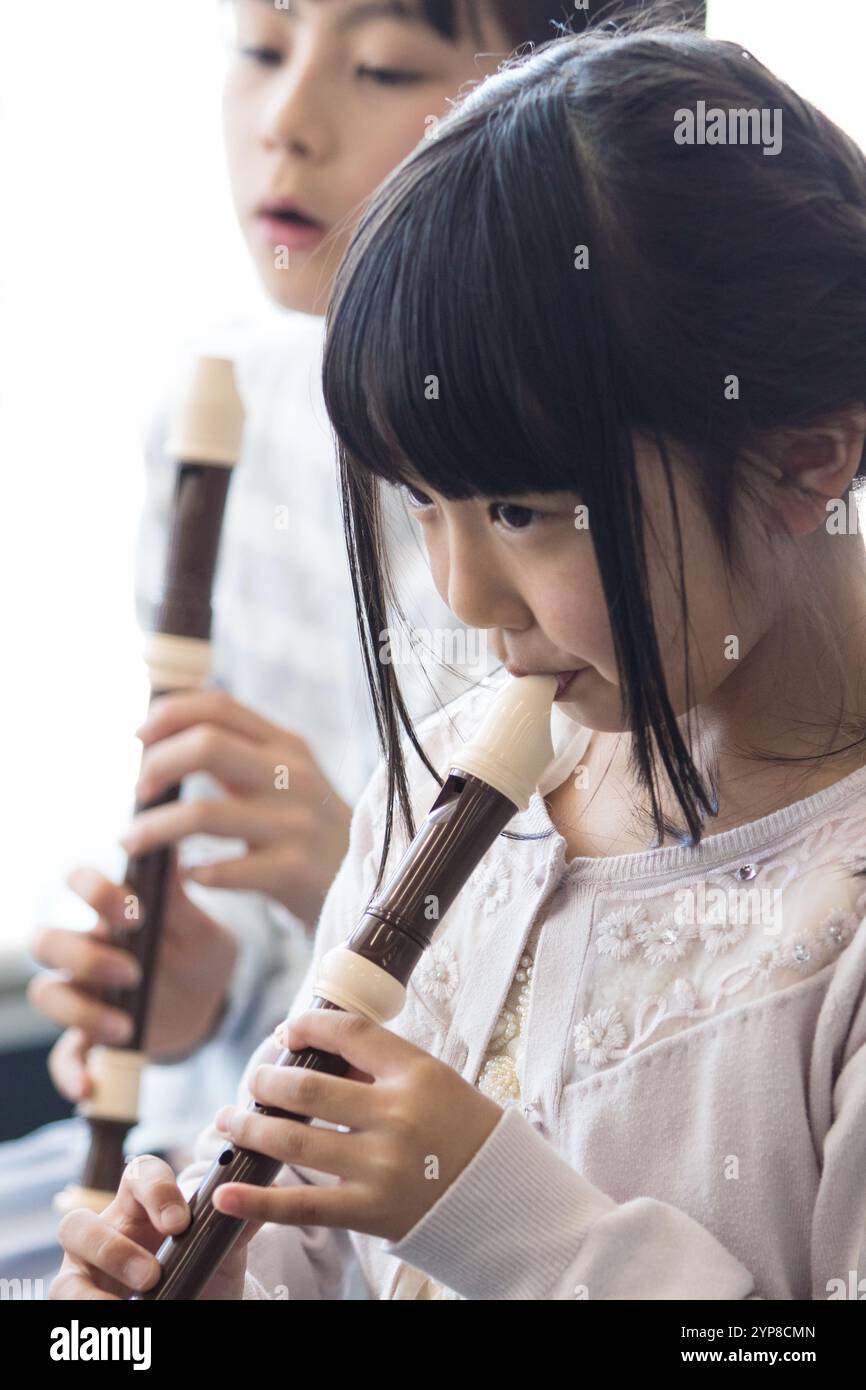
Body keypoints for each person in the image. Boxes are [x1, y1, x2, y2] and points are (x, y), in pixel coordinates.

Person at [51, 16, 866, 1301]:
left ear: (806, 461)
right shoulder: (447, 781)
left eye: (521, 512)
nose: (460, 593)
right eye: (419, 503)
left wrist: (498, 1212)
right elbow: (319, 1249)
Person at [2, 0, 593, 1291]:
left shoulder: (599, 513)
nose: (286, 123)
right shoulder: (223, 411)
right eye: (261, 49)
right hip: (215, 1177)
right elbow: (258, 1042)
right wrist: (205, 992)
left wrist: (360, 871)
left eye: (379, 67)